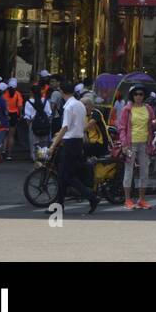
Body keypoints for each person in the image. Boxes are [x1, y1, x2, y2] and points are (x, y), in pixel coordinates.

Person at [48, 83, 100, 214]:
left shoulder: (69, 107)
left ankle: (92, 197)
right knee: (63, 176)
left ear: (62, 92)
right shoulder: (79, 105)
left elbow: (65, 127)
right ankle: (59, 205)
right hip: (78, 142)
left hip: (70, 143)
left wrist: (53, 145)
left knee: (67, 176)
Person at [117, 85, 156, 209]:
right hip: (130, 143)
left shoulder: (148, 108)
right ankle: (127, 199)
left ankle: (142, 199)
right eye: (136, 94)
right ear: (132, 96)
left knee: (144, 171)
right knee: (129, 170)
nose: (138, 96)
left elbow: (153, 123)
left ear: (144, 96)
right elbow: (122, 127)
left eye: (141, 94)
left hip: (145, 143)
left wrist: (154, 123)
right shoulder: (127, 109)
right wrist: (124, 144)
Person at [24, 86, 54, 161]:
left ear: (32, 92)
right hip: (45, 124)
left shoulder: (28, 102)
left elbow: (27, 116)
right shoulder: (45, 101)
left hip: (33, 124)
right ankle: (43, 158)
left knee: (34, 143)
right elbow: (49, 114)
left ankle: (35, 159)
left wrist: (30, 125)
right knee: (44, 143)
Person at [2, 79, 23, 160]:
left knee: (4, 134)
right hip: (14, 115)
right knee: (11, 135)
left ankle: (3, 151)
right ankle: (9, 154)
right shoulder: (18, 94)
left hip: (5, 114)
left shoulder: (4, 93)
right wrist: (20, 114)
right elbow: (20, 106)